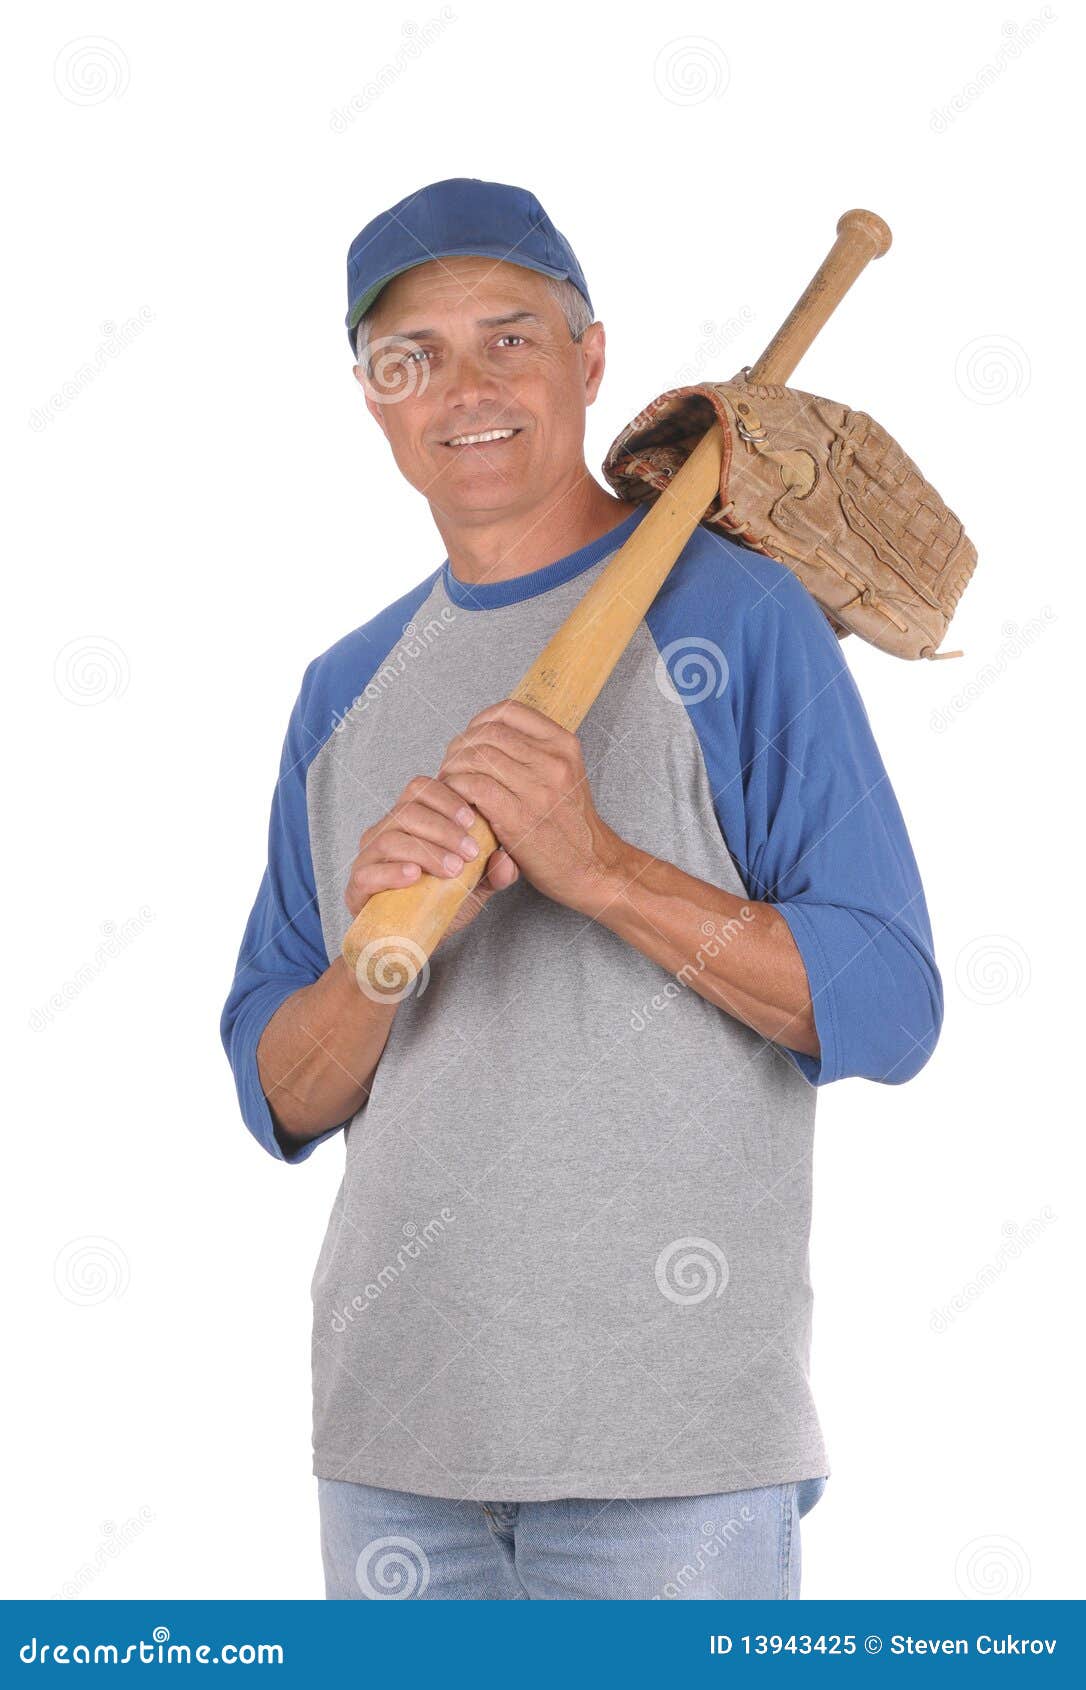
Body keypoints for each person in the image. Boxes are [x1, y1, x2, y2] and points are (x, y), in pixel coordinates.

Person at [220, 177, 942, 1600]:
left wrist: (599, 867)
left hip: (670, 1460)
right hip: (392, 1447)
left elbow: (890, 1002)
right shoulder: (341, 691)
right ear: (370, 398)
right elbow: (280, 1093)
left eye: (510, 338)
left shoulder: (739, 619)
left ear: (590, 357)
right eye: (408, 358)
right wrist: (378, 958)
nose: (464, 389)